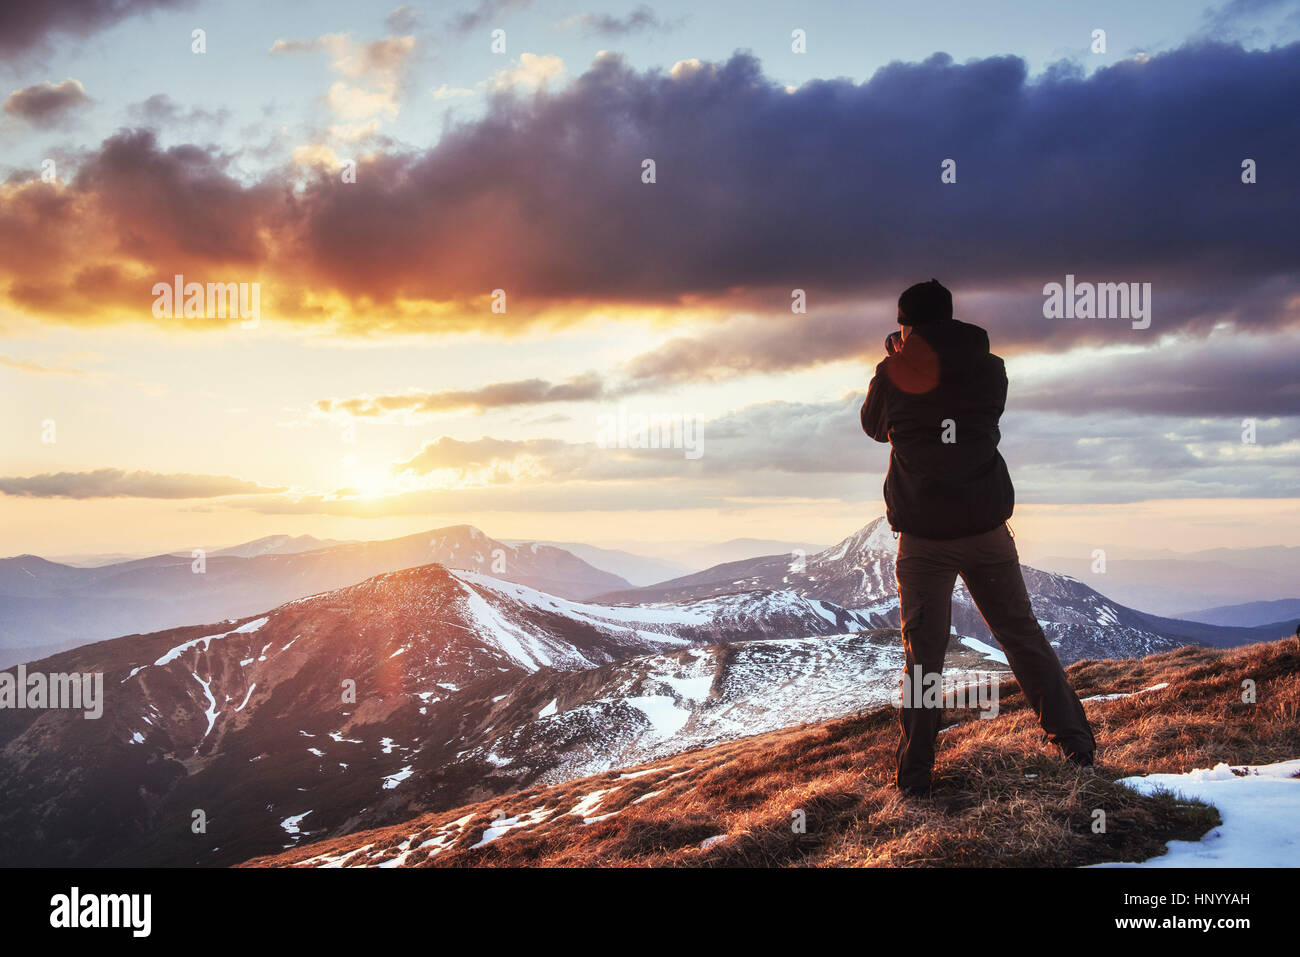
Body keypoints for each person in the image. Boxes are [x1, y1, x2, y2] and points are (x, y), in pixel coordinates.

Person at [861, 278, 1096, 797]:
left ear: (907, 324)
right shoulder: (991, 370)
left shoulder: (897, 372)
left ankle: (915, 778)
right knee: (1021, 634)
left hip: (924, 540)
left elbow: (874, 426)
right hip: (987, 529)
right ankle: (1076, 746)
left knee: (923, 660)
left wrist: (894, 360)